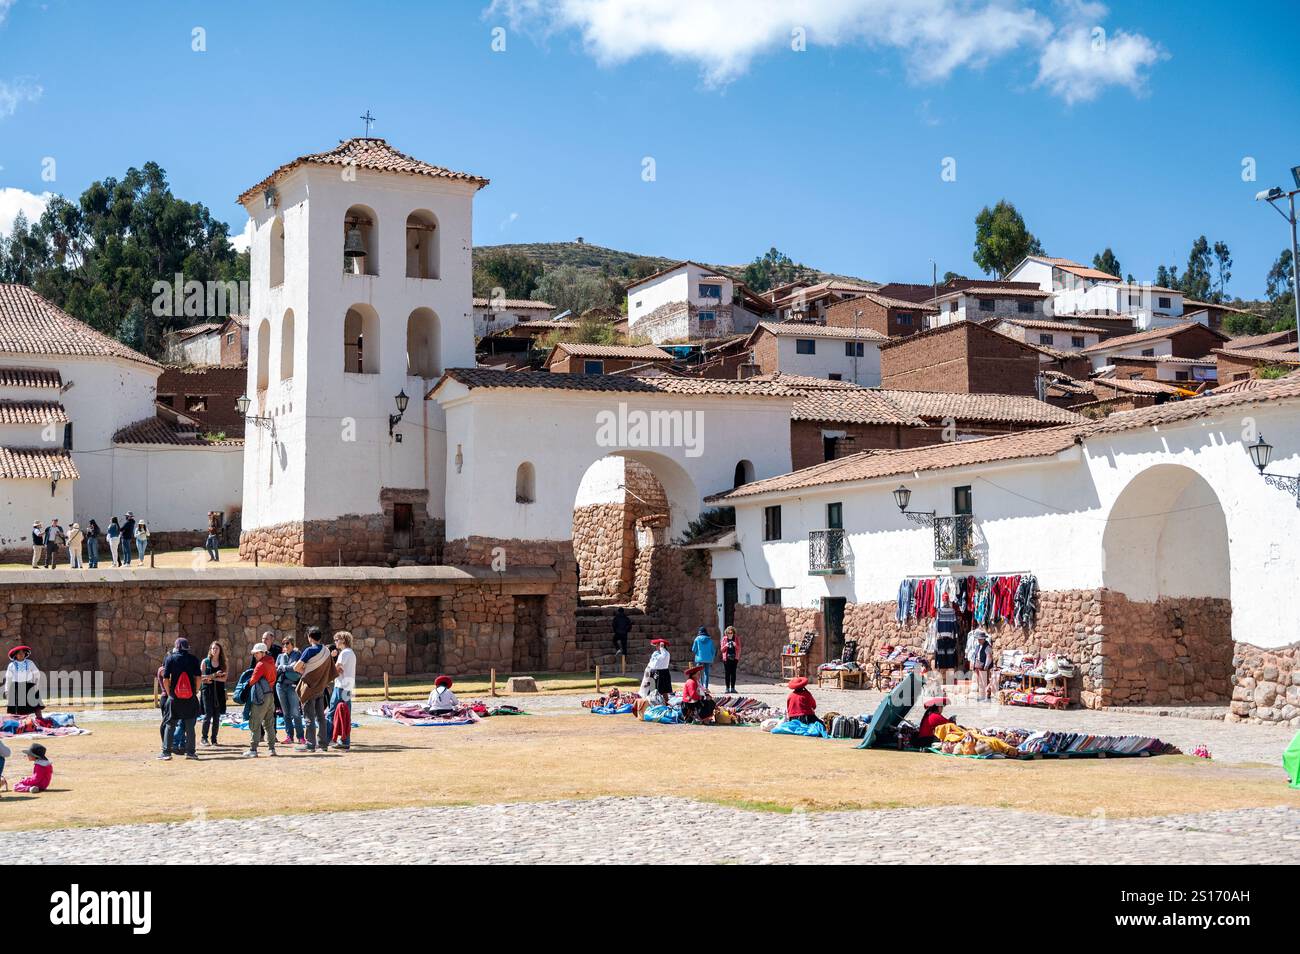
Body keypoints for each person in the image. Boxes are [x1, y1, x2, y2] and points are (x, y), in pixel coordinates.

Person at [159, 638, 202, 760]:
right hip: (190, 697)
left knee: (170, 725)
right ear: (187, 647)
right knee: (189, 726)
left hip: (174, 697)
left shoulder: (170, 658)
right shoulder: (193, 659)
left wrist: (169, 693)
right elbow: (198, 678)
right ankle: (191, 752)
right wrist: (195, 691)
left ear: (176, 646)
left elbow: (166, 679)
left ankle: (166, 753)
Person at [294, 627, 333, 752]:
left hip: (309, 688)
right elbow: (330, 669)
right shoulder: (326, 651)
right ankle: (323, 744)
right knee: (321, 717)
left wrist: (305, 672)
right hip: (320, 687)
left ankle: (310, 744)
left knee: (309, 717)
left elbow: (296, 667)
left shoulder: (309, 650)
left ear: (310, 637)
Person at [243, 642, 277, 758]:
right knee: (269, 723)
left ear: (263, 652)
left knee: (255, 722)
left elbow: (252, 681)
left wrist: (245, 685)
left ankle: (253, 750)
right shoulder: (272, 662)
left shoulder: (260, 664)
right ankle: (272, 748)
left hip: (260, 696)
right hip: (270, 696)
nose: (255, 655)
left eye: (257, 653)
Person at [329, 631, 356, 751]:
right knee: (346, 714)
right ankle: (345, 740)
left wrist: (331, 660)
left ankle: (327, 739)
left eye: (337, 640)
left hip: (341, 686)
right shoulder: (351, 653)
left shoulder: (344, 653)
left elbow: (337, 668)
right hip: (348, 686)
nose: (335, 642)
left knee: (332, 713)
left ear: (343, 640)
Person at [275, 638, 304, 746]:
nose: (285, 645)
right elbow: (277, 668)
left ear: (292, 644)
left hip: (292, 686)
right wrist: (286, 668)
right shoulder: (280, 656)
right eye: (283, 644)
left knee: (296, 712)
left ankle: (301, 737)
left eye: (287, 643)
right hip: (280, 686)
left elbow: (296, 667)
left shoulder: (297, 654)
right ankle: (289, 737)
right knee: (286, 713)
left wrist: (283, 668)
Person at [199, 641, 227, 746]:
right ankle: (204, 738)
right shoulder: (205, 662)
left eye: (216, 649)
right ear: (210, 650)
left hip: (219, 692)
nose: (214, 650)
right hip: (207, 691)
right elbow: (201, 677)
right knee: (208, 714)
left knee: (217, 716)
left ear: (220, 651)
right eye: (212, 648)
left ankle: (214, 739)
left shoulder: (223, 663)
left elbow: (224, 679)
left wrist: (211, 677)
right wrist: (215, 675)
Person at [5, 645, 42, 716]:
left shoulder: (30, 663)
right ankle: (18, 723)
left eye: (23, 653)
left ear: (25, 654)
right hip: (16, 687)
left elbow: (37, 674)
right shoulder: (11, 665)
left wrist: (35, 686)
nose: (21, 654)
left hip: (29, 686)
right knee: (17, 709)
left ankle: (40, 721)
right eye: (19, 653)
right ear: (15, 655)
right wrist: (7, 691)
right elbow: (8, 679)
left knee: (36, 707)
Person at [932, 593, 959, 689]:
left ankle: (945, 682)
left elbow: (937, 625)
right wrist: (955, 635)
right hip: (949, 638)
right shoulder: (952, 611)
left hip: (941, 638)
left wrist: (937, 635)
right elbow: (955, 624)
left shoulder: (940, 611)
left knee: (942, 659)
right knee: (949, 659)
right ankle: (947, 682)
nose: (945, 601)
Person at [967, 628, 993, 701]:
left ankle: (986, 696)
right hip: (978, 665)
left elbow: (989, 656)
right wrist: (973, 664)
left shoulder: (987, 646)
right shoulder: (978, 646)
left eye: (980, 639)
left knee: (984, 681)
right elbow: (975, 655)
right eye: (978, 639)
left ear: (984, 639)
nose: (979, 640)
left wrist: (986, 666)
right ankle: (982, 695)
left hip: (984, 666)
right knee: (979, 681)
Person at [690, 626, 715, 690]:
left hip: (699, 658)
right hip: (708, 658)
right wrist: (712, 657)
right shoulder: (710, 639)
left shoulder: (697, 639)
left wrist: (697, 653)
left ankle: (700, 687)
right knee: (706, 673)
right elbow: (713, 650)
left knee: (698, 673)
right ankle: (706, 687)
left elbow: (693, 649)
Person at [720, 626, 741, 694]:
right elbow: (722, 650)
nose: (730, 634)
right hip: (726, 658)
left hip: (734, 658)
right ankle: (727, 688)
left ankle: (733, 688)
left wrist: (735, 645)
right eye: (728, 633)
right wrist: (726, 645)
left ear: (733, 633)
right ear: (726, 633)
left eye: (731, 632)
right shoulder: (724, 639)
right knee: (727, 673)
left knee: (733, 673)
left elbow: (739, 649)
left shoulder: (736, 639)